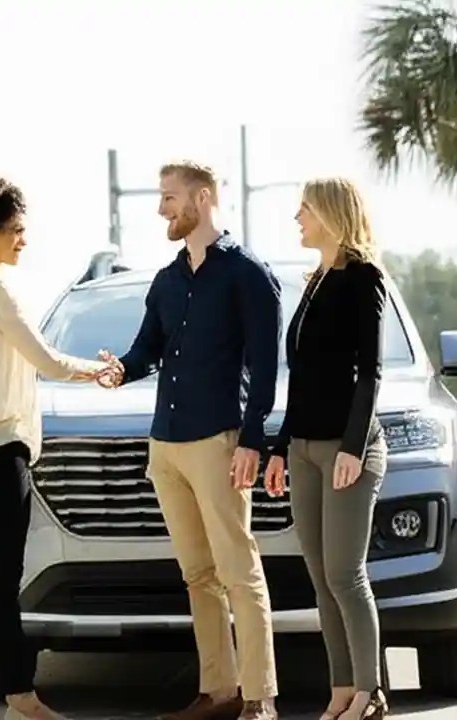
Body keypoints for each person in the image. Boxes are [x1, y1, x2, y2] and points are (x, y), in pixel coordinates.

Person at [98, 161, 282, 720]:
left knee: (238, 570)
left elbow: (266, 367)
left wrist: (253, 440)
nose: (161, 209)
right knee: (198, 575)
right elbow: (146, 348)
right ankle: (220, 690)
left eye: (170, 198)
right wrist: (118, 371)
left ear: (202, 199)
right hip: (167, 444)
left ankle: (260, 697)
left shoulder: (248, 274)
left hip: (219, 442)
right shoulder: (168, 280)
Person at [0, 173, 115, 720]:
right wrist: (99, 371)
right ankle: (22, 699)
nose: (22, 240)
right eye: (15, 230)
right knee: (4, 581)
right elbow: (48, 361)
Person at [263, 178, 390, 720]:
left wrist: (353, 448)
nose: (297, 217)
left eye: (305, 209)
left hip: (347, 448)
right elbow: (304, 378)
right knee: (320, 575)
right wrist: (277, 447)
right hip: (304, 449)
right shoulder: (314, 281)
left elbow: (370, 373)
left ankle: (371, 691)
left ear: (332, 213)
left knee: (345, 573)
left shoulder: (365, 279)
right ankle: (341, 691)